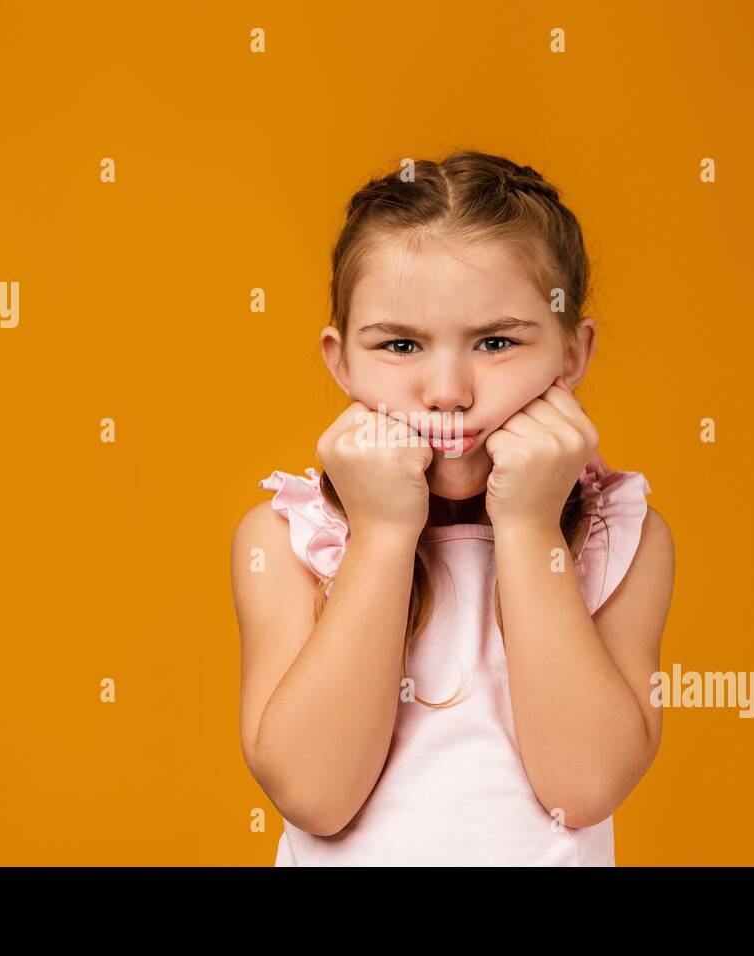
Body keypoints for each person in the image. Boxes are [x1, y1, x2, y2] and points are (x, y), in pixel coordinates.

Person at [231, 150, 675, 865]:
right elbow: (315, 795)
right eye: (401, 344)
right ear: (341, 362)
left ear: (571, 352)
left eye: (496, 342)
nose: (448, 391)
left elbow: (584, 787)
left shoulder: (618, 536)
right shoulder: (291, 540)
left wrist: (530, 529)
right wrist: (380, 535)